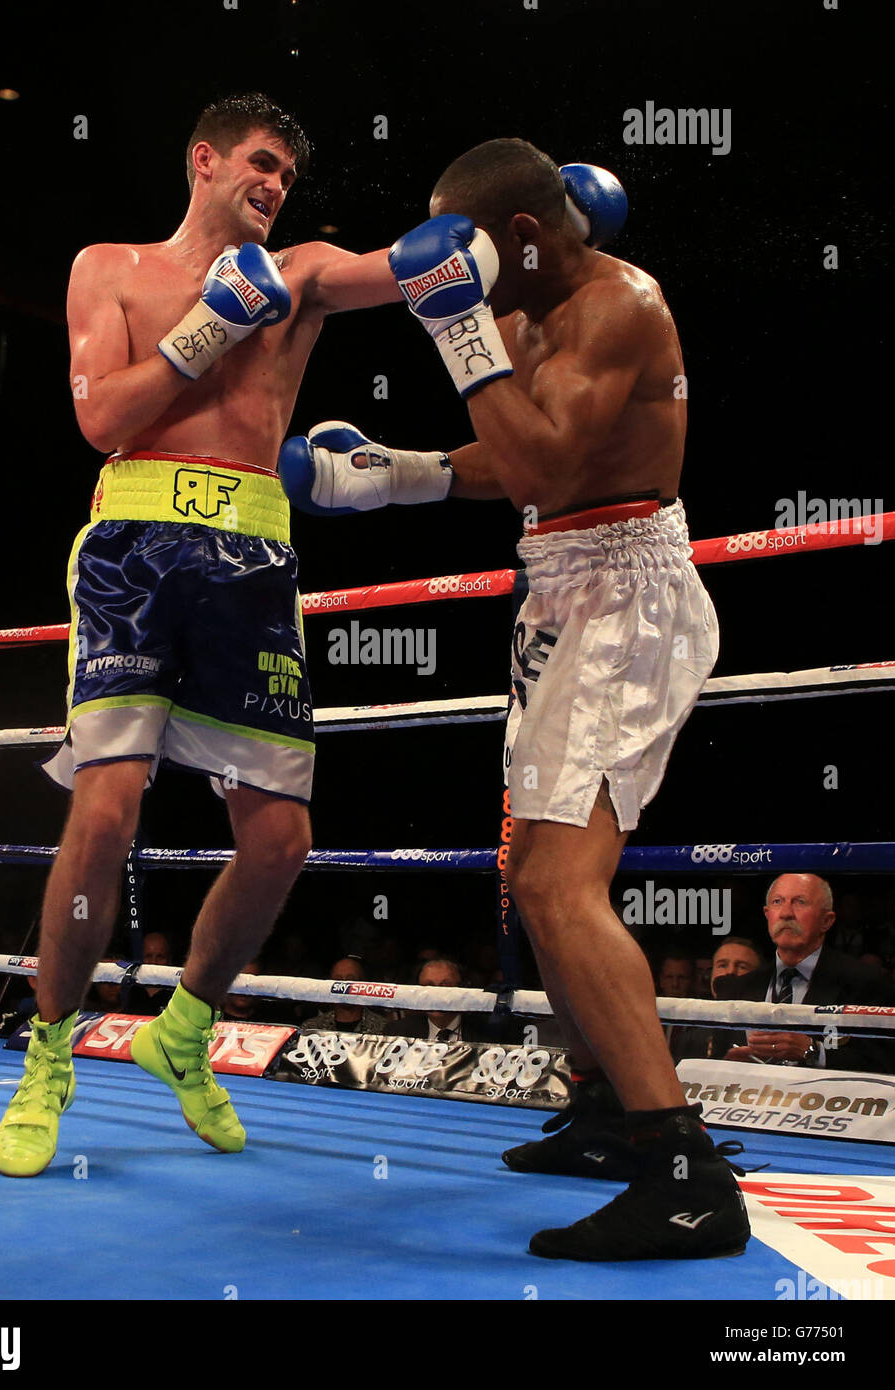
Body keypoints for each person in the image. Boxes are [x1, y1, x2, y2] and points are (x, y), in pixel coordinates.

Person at [280, 141, 748, 1260]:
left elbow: (545, 464)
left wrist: (455, 330)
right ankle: (603, 1112)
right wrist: (404, 472)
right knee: (529, 872)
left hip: (625, 594)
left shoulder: (618, 305)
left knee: (556, 873)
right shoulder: (533, 317)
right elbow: (518, 452)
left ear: (524, 236)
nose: (464, 276)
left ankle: (681, 1170)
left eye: (474, 250)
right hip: (562, 588)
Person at [0, 92, 403, 1178]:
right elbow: (101, 418)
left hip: (253, 558)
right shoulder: (110, 268)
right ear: (204, 159)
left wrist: (499, 229)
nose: (273, 185)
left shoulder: (304, 270)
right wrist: (209, 323)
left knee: (280, 841)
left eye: (288, 177)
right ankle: (49, 1054)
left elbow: (411, 267)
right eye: (260, 163)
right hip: (134, 548)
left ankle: (185, 1027)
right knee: (108, 810)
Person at [708, 874, 895, 1073]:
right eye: (778, 902)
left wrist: (814, 1052)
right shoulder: (738, 988)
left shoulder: (864, 983)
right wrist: (729, 1064)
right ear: (767, 914)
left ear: (826, 920)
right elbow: (715, 1060)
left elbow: (883, 1061)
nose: (786, 913)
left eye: (800, 902)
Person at [302, 957, 389, 1035]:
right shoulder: (312, 1029)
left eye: (350, 979)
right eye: (338, 980)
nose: (344, 986)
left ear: (363, 983)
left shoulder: (383, 1029)